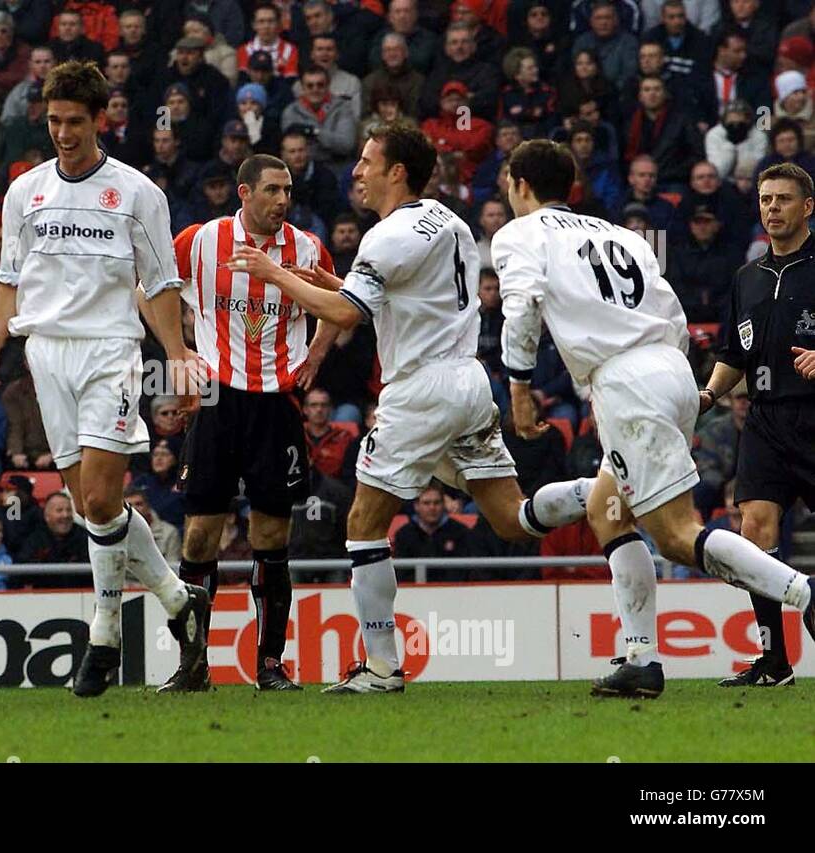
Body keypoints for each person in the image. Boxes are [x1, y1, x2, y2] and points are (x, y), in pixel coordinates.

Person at [227, 124, 594, 694]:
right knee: (511, 518)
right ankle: (597, 491)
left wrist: (272, 273)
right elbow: (404, 298)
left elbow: (347, 317)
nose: (357, 172)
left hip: (419, 390)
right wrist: (330, 280)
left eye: (368, 161)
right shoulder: (450, 221)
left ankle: (380, 668)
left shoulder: (387, 237)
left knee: (362, 524)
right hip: (470, 382)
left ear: (397, 172)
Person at [493, 141, 815, 699]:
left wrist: (519, 386)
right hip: (670, 368)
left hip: (625, 380)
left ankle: (805, 591)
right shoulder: (619, 233)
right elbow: (670, 310)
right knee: (606, 507)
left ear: (520, 184)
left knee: (673, 534)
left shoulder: (519, 234)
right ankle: (641, 659)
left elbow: (520, 304)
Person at [0, 60, 210, 698]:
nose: (64, 133)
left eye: (75, 121)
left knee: (102, 501)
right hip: (45, 354)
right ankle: (179, 598)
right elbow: (9, 282)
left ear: (99, 121)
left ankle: (104, 635)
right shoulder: (25, 192)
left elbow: (159, 286)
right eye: (53, 121)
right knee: (86, 506)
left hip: (110, 352)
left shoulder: (137, 194)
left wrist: (179, 354)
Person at [702, 162, 815, 688]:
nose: (772, 208)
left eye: (784, 199)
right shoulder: (747, 278)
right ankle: (774, 660)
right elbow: (735, 353)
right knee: (753, 531)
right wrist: (709, 392)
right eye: (766, 200)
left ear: (807, 207)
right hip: (766, 418)